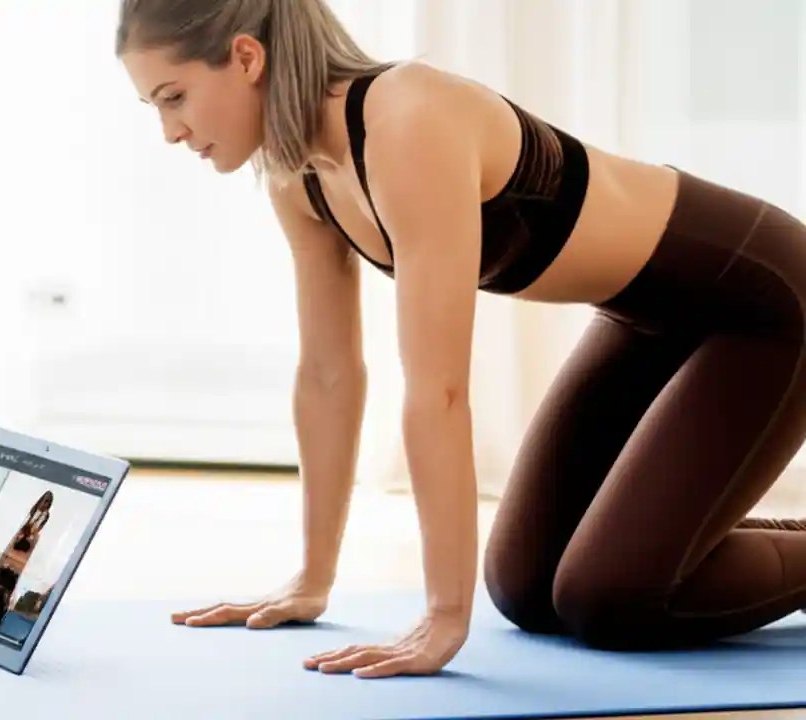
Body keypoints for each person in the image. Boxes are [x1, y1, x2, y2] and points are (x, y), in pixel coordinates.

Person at [116, 0, 806, 679]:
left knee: (611, 598)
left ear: (245, 56)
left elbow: (439, 389)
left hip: (767, 303)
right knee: (525, 588)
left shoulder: (406, 119)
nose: (171, 132)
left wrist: (444, 616)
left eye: (174, 97)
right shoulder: (299, 180)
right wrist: (311, 578)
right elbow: (329, 375)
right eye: (154, 108)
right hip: (649, 316)